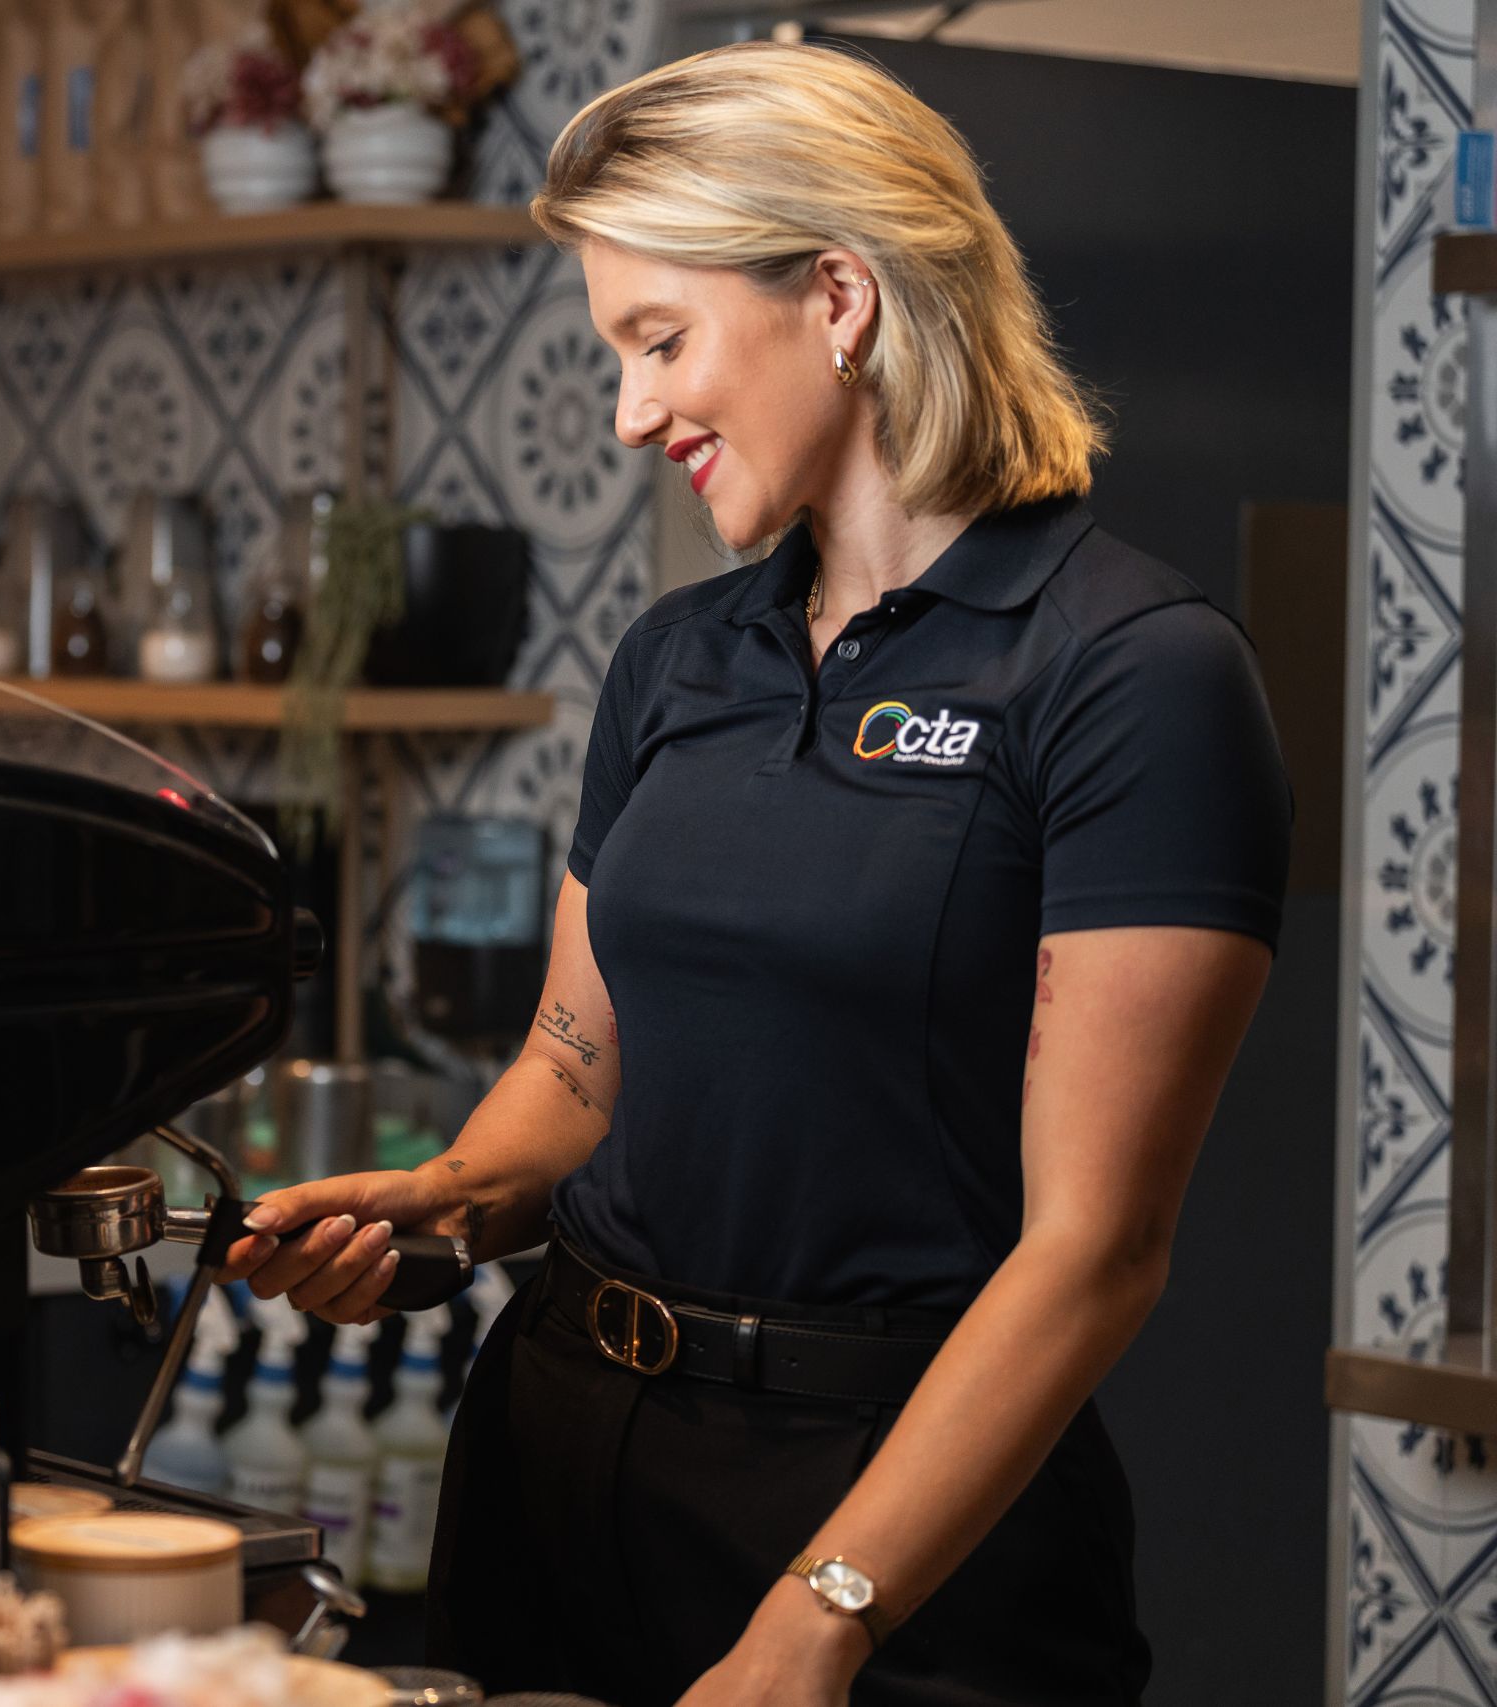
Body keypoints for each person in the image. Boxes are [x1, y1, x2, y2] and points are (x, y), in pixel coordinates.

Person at [218, 40, 1289, 1707]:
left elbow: (1097, 1250)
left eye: (662, 342)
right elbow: (576, 1073)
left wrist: (821, 1619)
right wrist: (447, 1203)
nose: (633, 413)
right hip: (559, 1456)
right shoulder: (676, 659)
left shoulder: (1133, 673)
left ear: (841, 298)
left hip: (897, 1530)